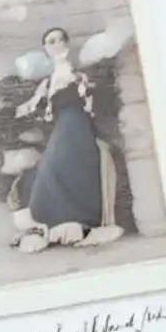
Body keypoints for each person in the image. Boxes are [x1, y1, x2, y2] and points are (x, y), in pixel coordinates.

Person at [9, 27, 125, 254]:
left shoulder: (78, 76)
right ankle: (53, 218)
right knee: (47, 169)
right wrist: (18, 111)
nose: (57, 44)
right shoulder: (47, 83)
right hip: (62, 127)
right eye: (51, 41)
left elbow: (92, 102)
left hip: (79, 126)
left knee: (66, 164)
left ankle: (81, 216)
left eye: (61, 40)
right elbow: (34, 105)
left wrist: (84, 91)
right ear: (46, 48)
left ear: (67, 44)